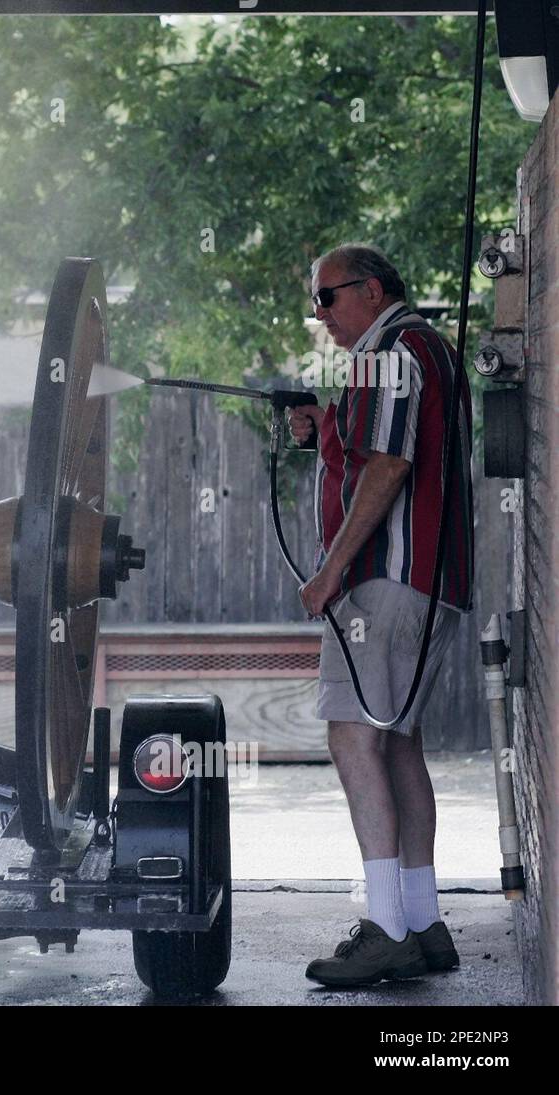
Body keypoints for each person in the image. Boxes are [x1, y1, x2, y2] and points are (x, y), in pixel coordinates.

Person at [289, 243, 474, 988]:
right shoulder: (423, 349)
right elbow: (386, 454)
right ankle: (423, 922)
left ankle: (387, 927)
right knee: (397, 745)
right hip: (433, 581)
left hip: (388, 581)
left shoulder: (390, 350)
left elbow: (390, 468)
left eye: (327, 298)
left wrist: (331, 568)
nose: (320, 315)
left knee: (352, 738)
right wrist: (322, 430)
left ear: (369, 290)